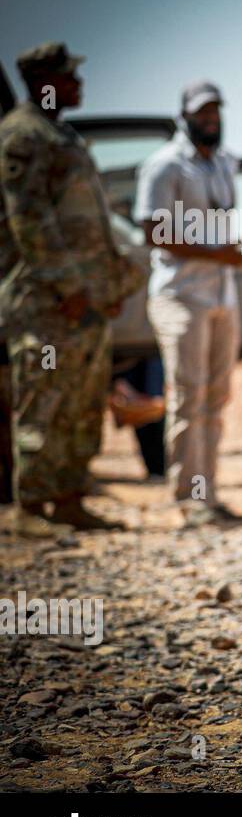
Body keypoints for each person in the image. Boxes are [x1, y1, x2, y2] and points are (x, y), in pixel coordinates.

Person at [0, 43, 144, 535]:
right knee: (43, 398)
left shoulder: (64, 136)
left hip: (86, 300)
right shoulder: (22, 135)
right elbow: (30, 218)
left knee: (82, 401)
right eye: (67, 77)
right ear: (42, 80)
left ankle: (68, 497)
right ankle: (30, 506)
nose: (78, 84)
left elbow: (93, 224)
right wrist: (66, 284)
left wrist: (111, 281)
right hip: (45, 300)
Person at [135, 81, 242, 527]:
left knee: (216, 396)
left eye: (216, 111)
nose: (211, 119)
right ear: (185, 115)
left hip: (222, 293)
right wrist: (216, 253)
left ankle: (210, 495)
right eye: (202, 112)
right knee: (188, 395)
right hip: (181, 296)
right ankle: (188, 499)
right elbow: (153, 232)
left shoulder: (223, 162)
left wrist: (231, 253)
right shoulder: (164, 166)